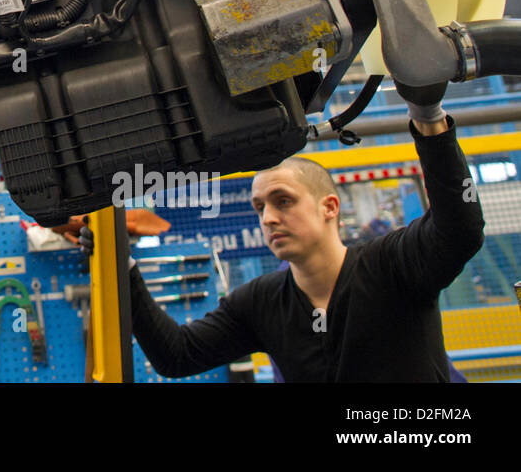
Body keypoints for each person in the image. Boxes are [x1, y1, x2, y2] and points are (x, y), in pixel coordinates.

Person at [70, 82, 485, 382]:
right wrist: (120, 263)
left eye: (282, 201)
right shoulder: (260, 302)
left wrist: (428, 116)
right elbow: (176, 356)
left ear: (329, 207)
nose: (267, 217)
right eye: (259, 207)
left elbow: (460, 231)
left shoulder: (392, 265)